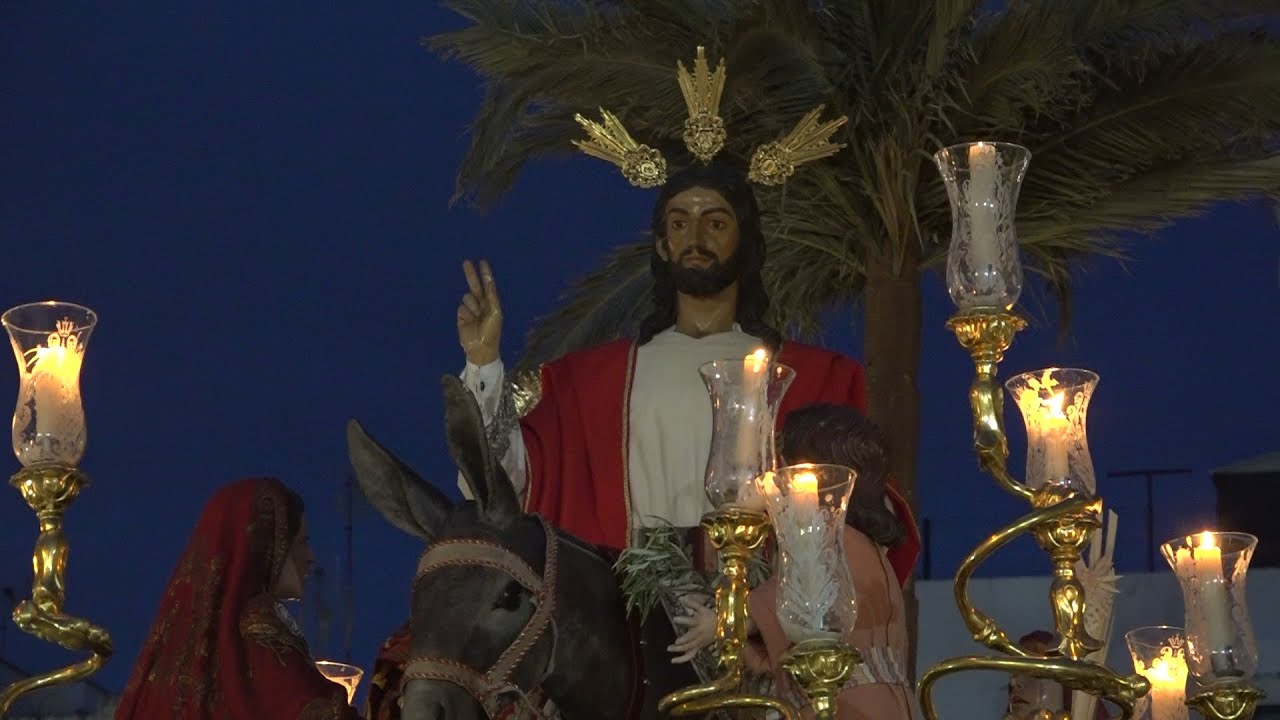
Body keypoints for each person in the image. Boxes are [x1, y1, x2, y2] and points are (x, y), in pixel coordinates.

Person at [454, 160, 919, 587]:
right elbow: (501, 480)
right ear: (661, 243)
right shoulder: (590, 383)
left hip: (763, 624)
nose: (695, 237)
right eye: (679, 223)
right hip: (627, 625)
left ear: (748, 242)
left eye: (715, 222)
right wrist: (482, 362)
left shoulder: (814, 379)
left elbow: (863, 517)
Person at [116, 477, 361, 720]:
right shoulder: (258, 624)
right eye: (302, 542)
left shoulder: (172, 659)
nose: (310, 557)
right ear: (268, 544)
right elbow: (311, 709)